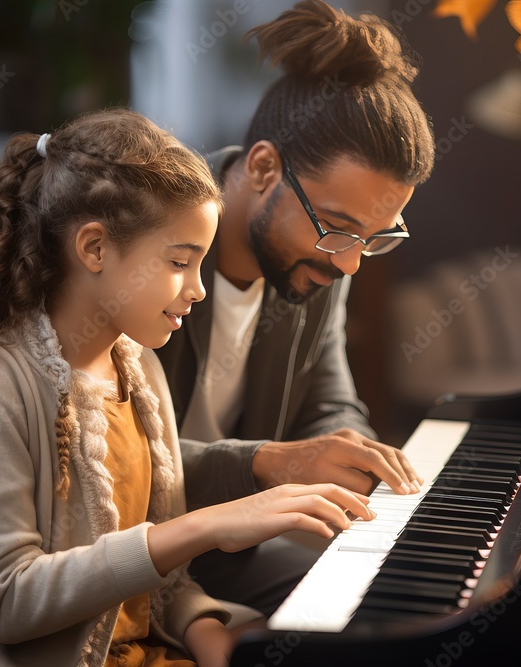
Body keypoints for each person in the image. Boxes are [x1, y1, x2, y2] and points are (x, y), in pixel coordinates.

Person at [0, 108, 373, 667]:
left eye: (201, 265)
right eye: (179, 263)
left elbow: (156, 586)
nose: (198, 290)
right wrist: (205, 525)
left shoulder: (139, 372)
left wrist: (209, 636)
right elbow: (8, 601)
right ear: (93, 248)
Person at [158, 0, 438, 615]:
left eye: (375, 237)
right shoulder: (148, 248)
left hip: (224, 537)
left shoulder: (326, 255)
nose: (350, 264)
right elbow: (102, 456)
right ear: (263, 168)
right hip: (114, 538)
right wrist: (269, 464)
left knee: (394, 598)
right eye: (338, 229)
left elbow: (329, 401)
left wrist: (355, 458)